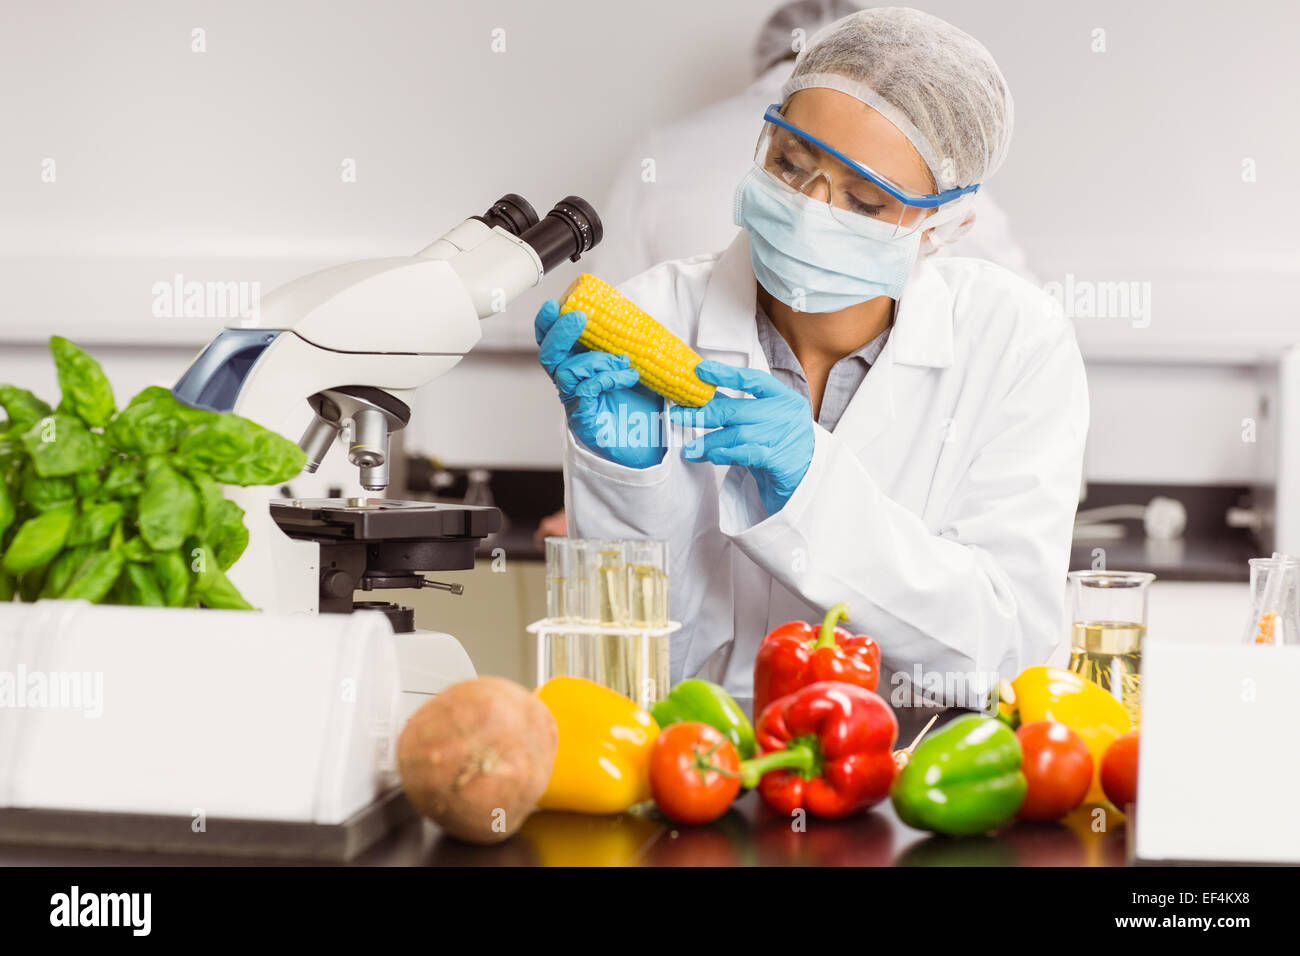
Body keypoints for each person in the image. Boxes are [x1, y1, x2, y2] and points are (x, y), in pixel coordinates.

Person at [535, 8, 1087, 715]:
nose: (809, 210)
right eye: (790, 165)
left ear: (944, 226)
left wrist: (814, 489)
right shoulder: (656, 313)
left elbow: (1007, 644)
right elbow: (627, 669)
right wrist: (628, 484)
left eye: (864, 201)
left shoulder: (1018, 341)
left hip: (919, 772)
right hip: (704, 762)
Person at [588, 0, 1036, 286]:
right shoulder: (928, 165)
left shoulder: (662, 151)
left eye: (865, 200)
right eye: (788, 165)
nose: (806, 219)